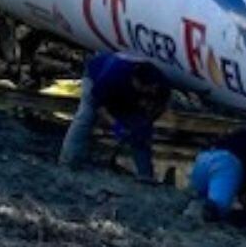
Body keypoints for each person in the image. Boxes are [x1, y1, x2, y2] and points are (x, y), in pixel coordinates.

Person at [59, 51, 172, 181]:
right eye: (146, 88)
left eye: (152, 89)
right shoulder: (113, 75)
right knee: (85, 117)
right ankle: (68, 162)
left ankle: (145, 176)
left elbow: (161, 105)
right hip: (94, 79)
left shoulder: (159, 83)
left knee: (140, 133)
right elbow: (99, 105)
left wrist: (147, 121)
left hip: (127, 94)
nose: (151, 91)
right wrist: (115, 125)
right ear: (135, 80)